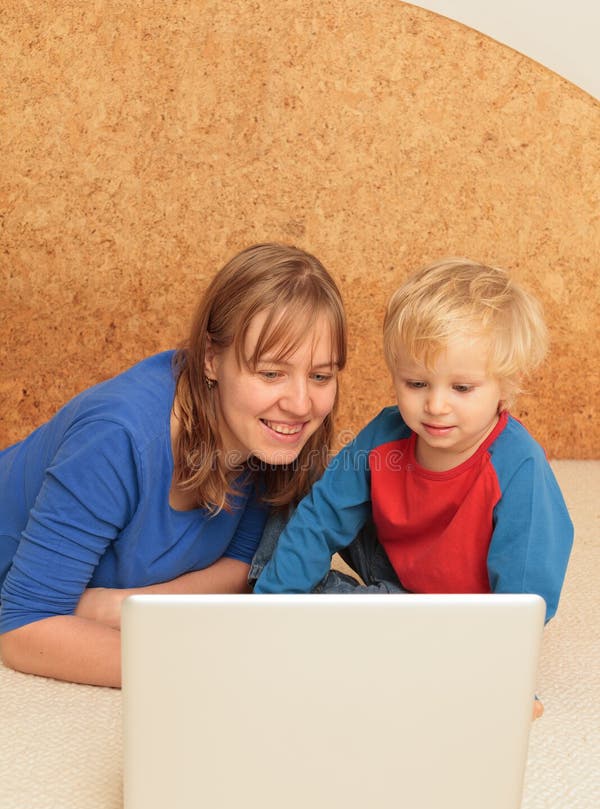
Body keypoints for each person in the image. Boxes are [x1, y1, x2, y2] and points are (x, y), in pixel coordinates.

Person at [0, 242, 347, 688]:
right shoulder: (116, 438)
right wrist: (196, 671)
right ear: (211, 359)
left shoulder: (266, 435)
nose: (301, 404)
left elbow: (242, 565)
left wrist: (123, 607)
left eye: (321, 376)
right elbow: (22, 628)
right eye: (270, 373)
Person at [254, 258, 574, 718]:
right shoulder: (385, 435)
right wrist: (271, 609)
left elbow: (526, 590)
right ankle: (274, 599)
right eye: (417, 383)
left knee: (405, 625)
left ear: (503, 388)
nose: (436, 406)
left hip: (466, 614)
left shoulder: (517, 466)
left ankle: (391, 632)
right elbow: (322, 516)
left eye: (462, 387)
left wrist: (507, 674)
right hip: (398, 563)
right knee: (303, 493)